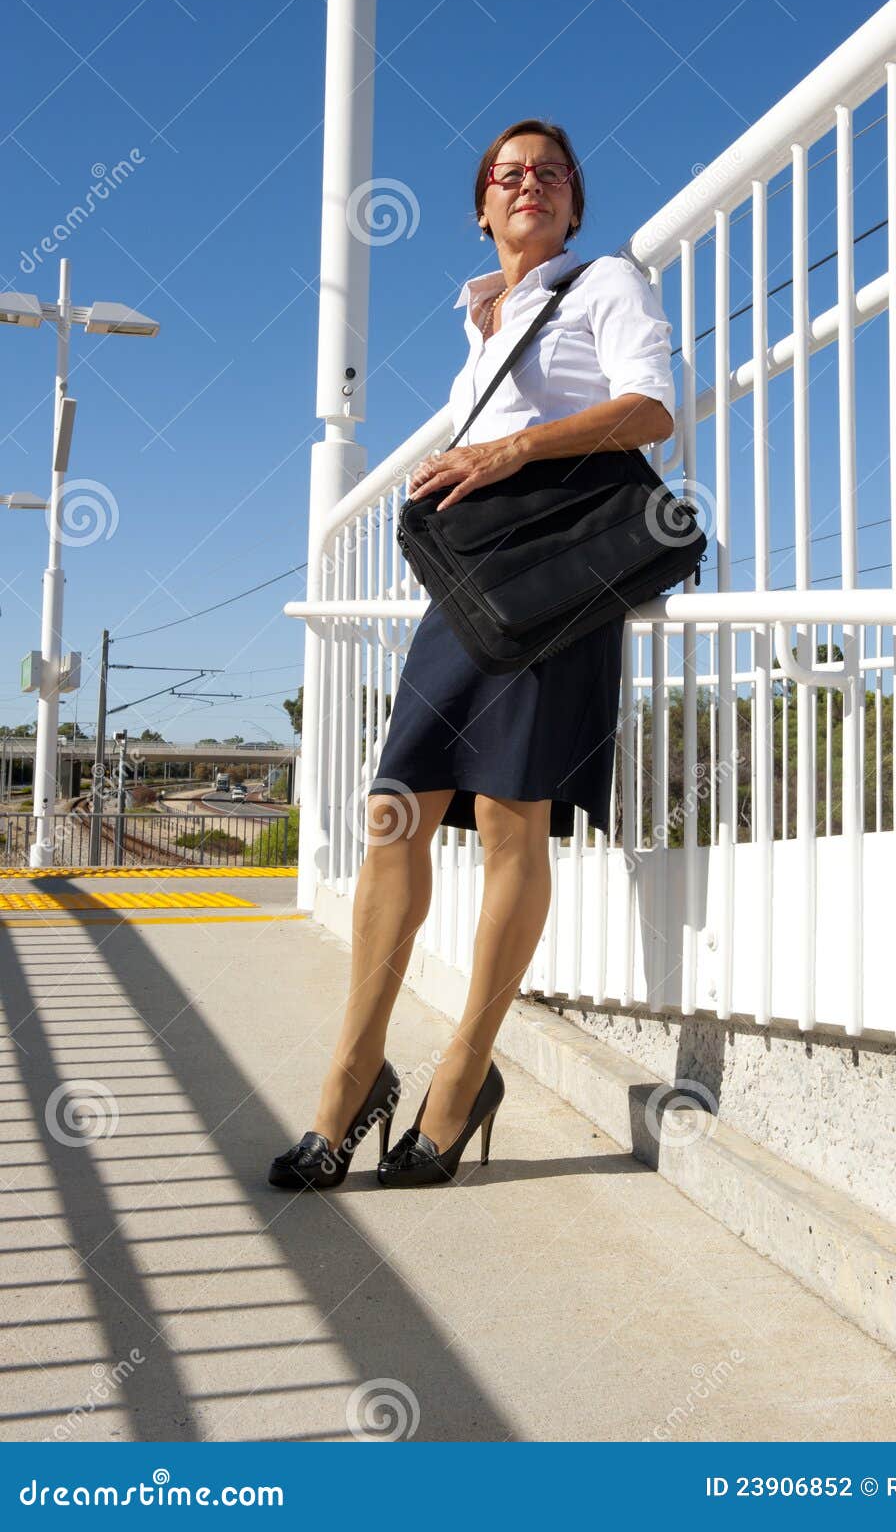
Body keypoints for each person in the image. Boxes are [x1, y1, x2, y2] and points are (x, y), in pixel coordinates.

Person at [268, 117, 675, 1192]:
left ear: (574, 205)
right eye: (508, 174)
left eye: (549, 172)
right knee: (395, 808)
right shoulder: (480, 318)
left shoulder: (604, 287)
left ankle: (459, 1076)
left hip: (558, 579)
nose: (528, 183)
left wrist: (512, 448)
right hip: (474, 589)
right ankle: (354, 1074)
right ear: (483, 210)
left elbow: (652, 408)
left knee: (509, 818)